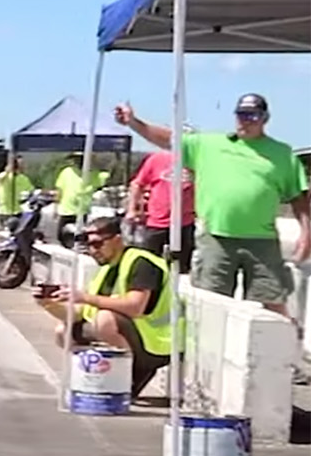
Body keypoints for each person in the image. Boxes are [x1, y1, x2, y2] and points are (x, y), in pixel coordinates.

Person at [115, 93, 309, 316]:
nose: (245, 120)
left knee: (272, 302)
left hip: (262, 240)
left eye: (253, 116)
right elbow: (169, 139)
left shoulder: (282, 153)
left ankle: (278, 347)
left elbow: (299, 197)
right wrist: (133, 122)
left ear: (265, 118)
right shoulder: (209, 144)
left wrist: (306, 234)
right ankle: (203, 350)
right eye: (241, 115)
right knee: (211, 302)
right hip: (216, 237)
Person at [37, 216, 172, 400]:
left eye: (98, 244)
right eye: (89, 246)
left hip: (158, 343)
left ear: (117, 240)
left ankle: (130, 380)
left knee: (104, 319)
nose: (93, 251)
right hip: (130, 334)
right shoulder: (107, 269)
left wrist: (85, 297)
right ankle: (91, 378)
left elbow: (135, 307)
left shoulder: (141, 263)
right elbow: (79, 315)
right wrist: (49, 304)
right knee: (63, 331)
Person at [126, 145, 195, 272]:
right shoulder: (157, 159)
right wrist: (132, 209)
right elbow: (137, 184)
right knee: (148, 263)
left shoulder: (196, 160)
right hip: (157, 221)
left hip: (185, 222)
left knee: (181, 267)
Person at [0, 155, 34, 230]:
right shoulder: (4, 176)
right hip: (4, 210)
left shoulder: (23, 178)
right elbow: (0, 180)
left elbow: (31, 191)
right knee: (5, 232)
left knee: (15, 232)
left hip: (17, 210)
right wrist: (8, 170)